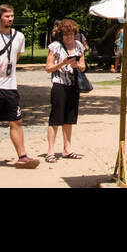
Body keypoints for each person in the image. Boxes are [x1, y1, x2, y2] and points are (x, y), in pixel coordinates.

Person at [0, 3, 39, 169]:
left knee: (16, 121)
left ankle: (22, 156)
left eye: (12, 16)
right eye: (7, 16)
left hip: (10, 86)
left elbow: (15, 57)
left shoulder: (19, 37)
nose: (10, 19)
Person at [45, 18, 87, 163]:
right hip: (59, 84)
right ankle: (50, 151)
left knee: (70, 117)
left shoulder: (79, 46)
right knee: (55, 118)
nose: (69, 37)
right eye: (66, 34)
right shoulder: (55, 47)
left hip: (73, 85)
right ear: (61, 34)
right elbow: (48, 68)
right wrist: (62, 63)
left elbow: (83, 66)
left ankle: (67, 148)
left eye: (71, 34)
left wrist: (77, 65)